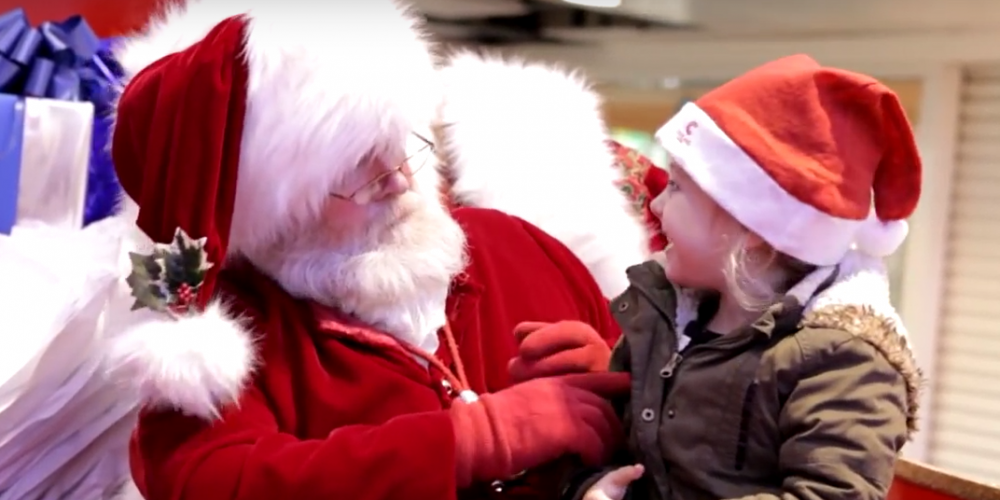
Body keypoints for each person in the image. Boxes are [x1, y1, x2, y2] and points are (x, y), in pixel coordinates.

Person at [102, 0, 655, 499]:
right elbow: (206, 481)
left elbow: (684, 438)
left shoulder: (522, 248)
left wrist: (621, 380)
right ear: (271, 211)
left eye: (401, 146)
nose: (397, 181)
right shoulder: (231, 331)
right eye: (352, 170)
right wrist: (463, 442)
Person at [569, 55, 923, 500]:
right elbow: (611, 451)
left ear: (753, 226)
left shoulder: (842, 362)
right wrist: (588, 488)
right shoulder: (660, 317)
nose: (656, 205)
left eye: (677, 187)